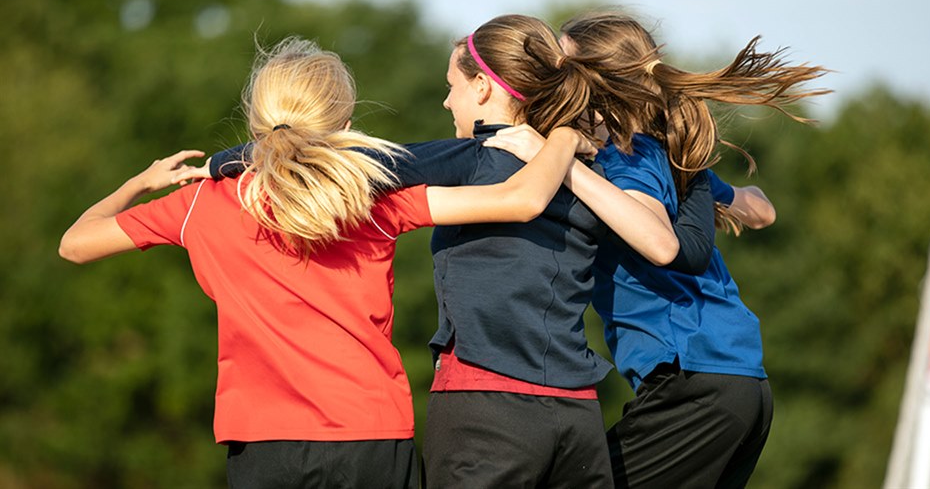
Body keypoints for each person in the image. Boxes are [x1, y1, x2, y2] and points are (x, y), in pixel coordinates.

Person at [197, 15, 721, 487]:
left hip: (486, 410)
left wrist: (231, 159)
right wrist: (709, 187)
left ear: (482, 86)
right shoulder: (599, 172)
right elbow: (687, 246)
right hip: (577, 414)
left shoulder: (474, 157)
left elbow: (330, 160)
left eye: (452, 87)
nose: (447, 101)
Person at [58, 37, 600, 489]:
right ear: (341, 116)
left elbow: (75, 244)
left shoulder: (200, 202)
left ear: (256, 114)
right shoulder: (368, 196)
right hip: (372, 435)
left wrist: (138, 183)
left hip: (264, 441)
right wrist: (563, 138)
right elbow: (523, 199)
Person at [487, 11, 828, 489]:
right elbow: (762, 209)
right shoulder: (662, 156)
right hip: (742, 385)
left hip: (694, 381)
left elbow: (662, 244)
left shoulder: (621, 162)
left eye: (564, 67)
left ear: (594, 82)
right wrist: (706, 189)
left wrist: (560, 165)